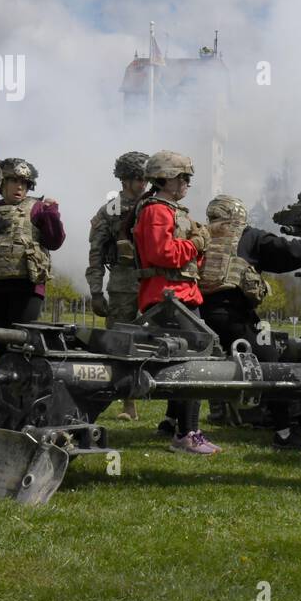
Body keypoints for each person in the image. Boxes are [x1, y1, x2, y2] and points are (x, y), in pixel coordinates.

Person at [198, 194, 301, 450]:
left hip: (197, 315)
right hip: (232, 316)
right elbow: (286, 250)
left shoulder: (200, 236)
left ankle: (172, 423)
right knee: (272, 364)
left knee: (192, 365)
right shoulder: (248, 237)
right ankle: (284, 432)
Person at [132, 149, 220, 455]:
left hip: (179, 295)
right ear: (168, 179)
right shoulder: (156, 210)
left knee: (189, 361)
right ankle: (187, 434)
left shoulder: (170, 209)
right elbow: (162, 253)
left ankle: (183, 428)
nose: (187, 183)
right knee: (194, 362)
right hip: (168, 297)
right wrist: (196, 243)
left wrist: (198, 244)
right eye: (184, 177)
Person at [0, 158, 65, 365]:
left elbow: (54, 241)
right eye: (13, 181)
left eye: (24, 183)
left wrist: (52, 213)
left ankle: (23, 393)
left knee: (21, 347)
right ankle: (0, 393)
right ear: (2, 183)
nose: (19, 187)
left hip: (26, 287)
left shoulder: (37, 208)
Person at [86, 150, 149, 420]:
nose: (142, 184)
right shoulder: (110, 210)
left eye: (145, 179)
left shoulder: (155, 206)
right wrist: (96, 291)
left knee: (154, 342)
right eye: (137, 179)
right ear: (124, 180)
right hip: (123, 286)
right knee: (118, 344)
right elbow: (96, 252)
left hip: (153, 284)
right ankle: (127, 404)